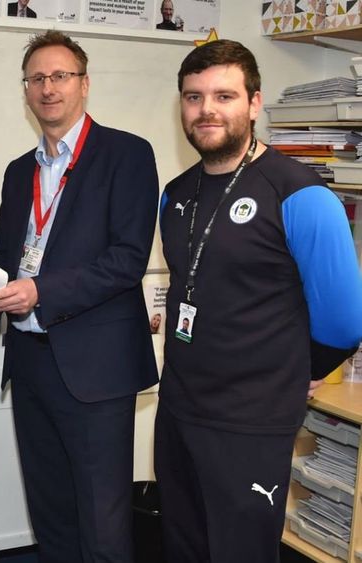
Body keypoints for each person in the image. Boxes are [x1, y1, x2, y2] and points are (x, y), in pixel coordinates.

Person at [157, 39, 362, 562]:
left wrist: (298, 370)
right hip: (179, 411)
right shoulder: (175, 194)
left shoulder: (301, 194)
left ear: (254, 103)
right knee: (185, 548)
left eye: (224, 95)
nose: (207, 110)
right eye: (194, 97)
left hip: (250, 421)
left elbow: (344, 321)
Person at [0, 30, 159, 561]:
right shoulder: (17, 171)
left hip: (95, 371)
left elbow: (127, 260)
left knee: (103, 523)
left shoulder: (128, 154)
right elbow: (8, 261)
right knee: (50, 514)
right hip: (29, 364)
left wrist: (38, 291)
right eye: (37, 78)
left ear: (84, 84)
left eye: (60, 76)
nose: (49, 88)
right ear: (26, 90)